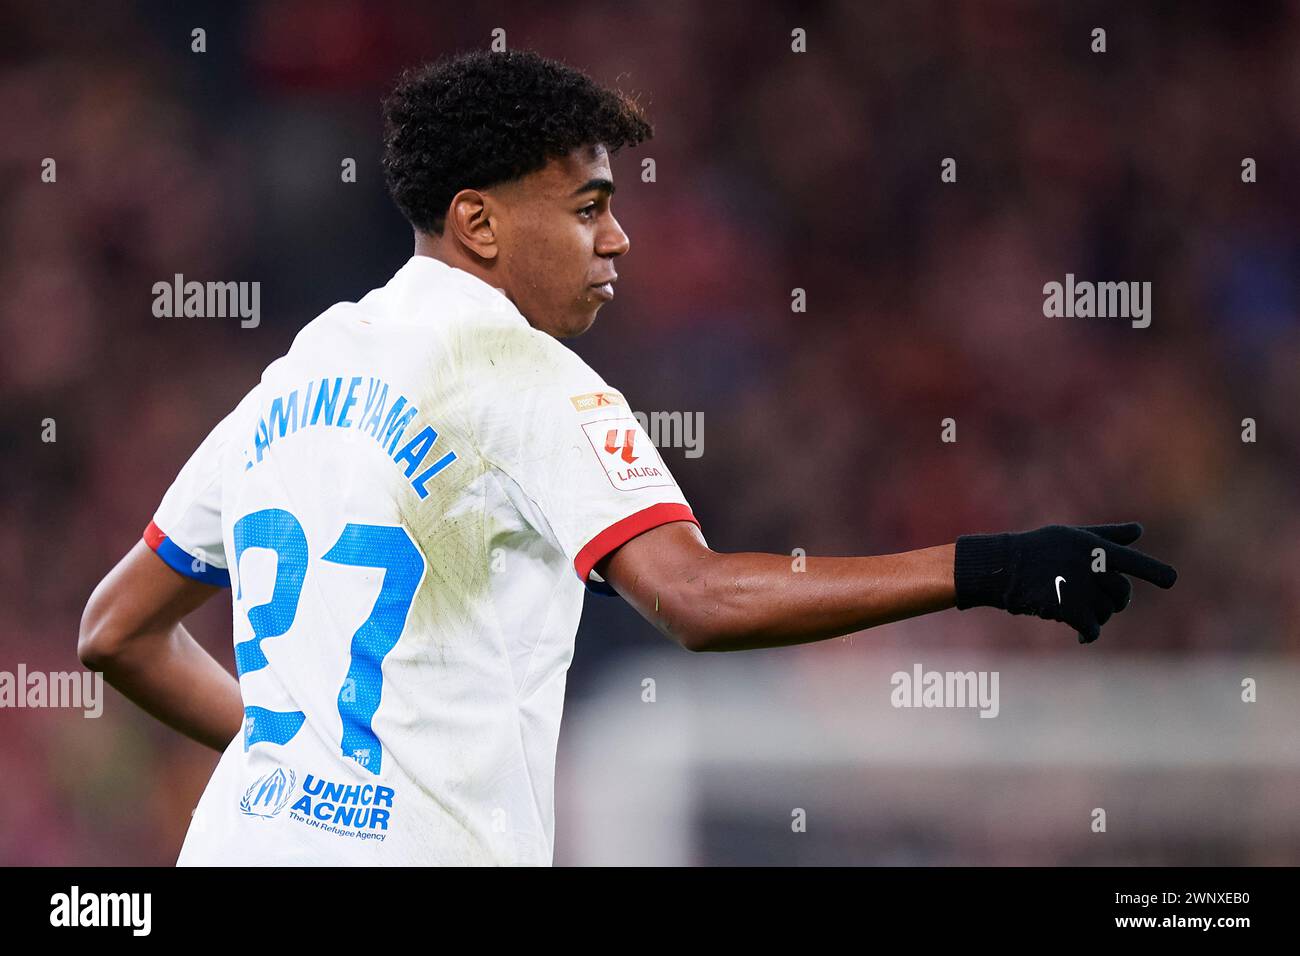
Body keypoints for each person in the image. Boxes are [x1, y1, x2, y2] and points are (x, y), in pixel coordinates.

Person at [78, 49, 1176, 866]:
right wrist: (984, 568)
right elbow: (694, 598)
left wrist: (295, 755)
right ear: (481, 224)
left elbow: (115, 629)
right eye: (588, 206)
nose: (618, 240)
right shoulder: (518, 375)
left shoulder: (298, 372)